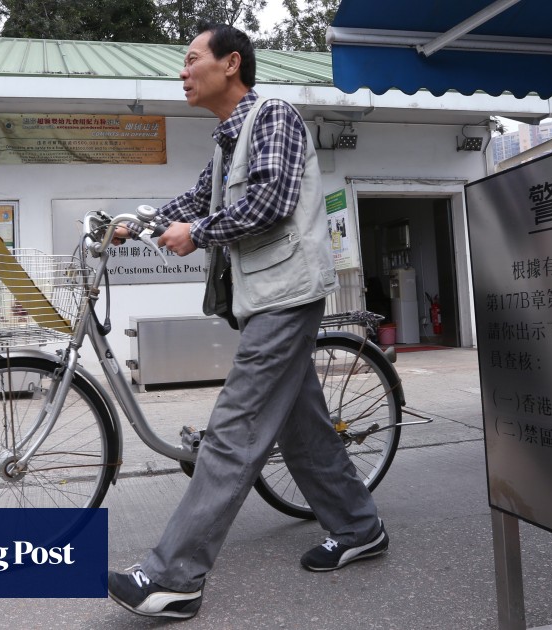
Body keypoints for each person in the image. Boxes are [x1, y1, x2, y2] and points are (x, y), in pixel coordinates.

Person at [106, 23, 387, 619]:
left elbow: (269, 203)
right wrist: (141, 221)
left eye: (190, 60)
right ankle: (361, 528)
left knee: (235, 428)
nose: (182, 72)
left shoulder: (274, 117)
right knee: (300, 425)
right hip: (264, 298)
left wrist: (198, 234)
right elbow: (199, 200)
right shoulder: (224, 140)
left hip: (288, 295)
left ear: (231, 64)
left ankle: (173, 575)